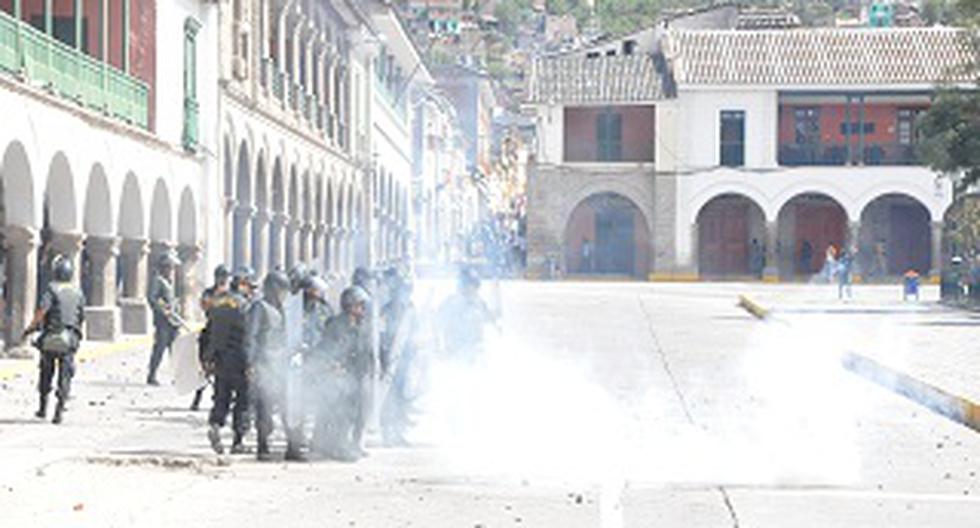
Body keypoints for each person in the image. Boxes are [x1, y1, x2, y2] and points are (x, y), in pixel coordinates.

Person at [247, 270, 305, 461]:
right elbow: (251, 338)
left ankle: (293, 447)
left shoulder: (281, 309)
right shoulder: (260, 307)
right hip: (265, 364)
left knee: (289, 406)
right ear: (273, 289)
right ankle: (263, 447)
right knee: (265, 409)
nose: (284, 294)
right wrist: (250, 363)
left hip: (282, 365)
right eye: (282, 290)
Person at [311, 286, 371, 462]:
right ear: (350, 305)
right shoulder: (336, 324)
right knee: (340, 413)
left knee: (355, 412)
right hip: (338, 375)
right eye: (360, 305)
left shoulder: (360, 325)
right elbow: (326, 348)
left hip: (355, 375)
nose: (362, 309)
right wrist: (331, 365)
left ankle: (347, 444)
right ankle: (337, 447)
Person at [26, 255, 84, 424]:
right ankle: (59, 410)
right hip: (70, 339)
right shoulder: (77, 291)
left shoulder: (51, 289)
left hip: (51, 336)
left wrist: (31, 327)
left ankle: (43, 408)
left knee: (46, 371)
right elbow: (81, 316)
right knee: (65, 374)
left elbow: (42, 311)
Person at [206, 267, 254, 454]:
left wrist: (207, 357)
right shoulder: (245, 306)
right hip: (239, 359)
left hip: (220, 359)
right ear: (242, 284)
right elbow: (249, 336)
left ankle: (215, 425)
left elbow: (208, 331)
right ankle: (238, 441)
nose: (251, 291)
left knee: (221, 397)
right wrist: (250, 362)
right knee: (243, 401)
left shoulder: (217, 302)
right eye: (250, 286)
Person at [379, 274, 419, 446]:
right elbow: (379, 335)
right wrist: (383, 357)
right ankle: (388, 433)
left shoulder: (410, 310)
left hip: (405, 359)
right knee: (388, 398)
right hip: (389, 360)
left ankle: (399, 432)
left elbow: (416, 332)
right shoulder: (386, 311)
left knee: (402, 397)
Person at [191, 264, 231, 411]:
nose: (222, 280)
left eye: (225, 277)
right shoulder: (209, 292)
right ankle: (197, 398)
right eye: (221, 277)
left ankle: (219, 398)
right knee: (204, 368)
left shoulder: (230, 294)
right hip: (211, 330)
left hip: (226, 333)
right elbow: (205, 306)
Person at [437, 266, 497, 363]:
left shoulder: (479, 303)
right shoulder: (451, 302)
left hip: (474, 353)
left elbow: (492, 323)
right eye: (467, 285)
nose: (471, 290)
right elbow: (437, 322)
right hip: (453, 352)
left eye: (474, 286)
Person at [147, 251, 182, 386]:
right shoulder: (158, 281)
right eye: (169, 267)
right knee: (160, 348)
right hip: (163, 322)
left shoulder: (168, 282)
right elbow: (152, 298)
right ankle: (152, 374)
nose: (171, 270)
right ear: (164, 267)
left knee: (174, 350)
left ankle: (177, 376)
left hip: (172, 321)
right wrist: (164, 310)